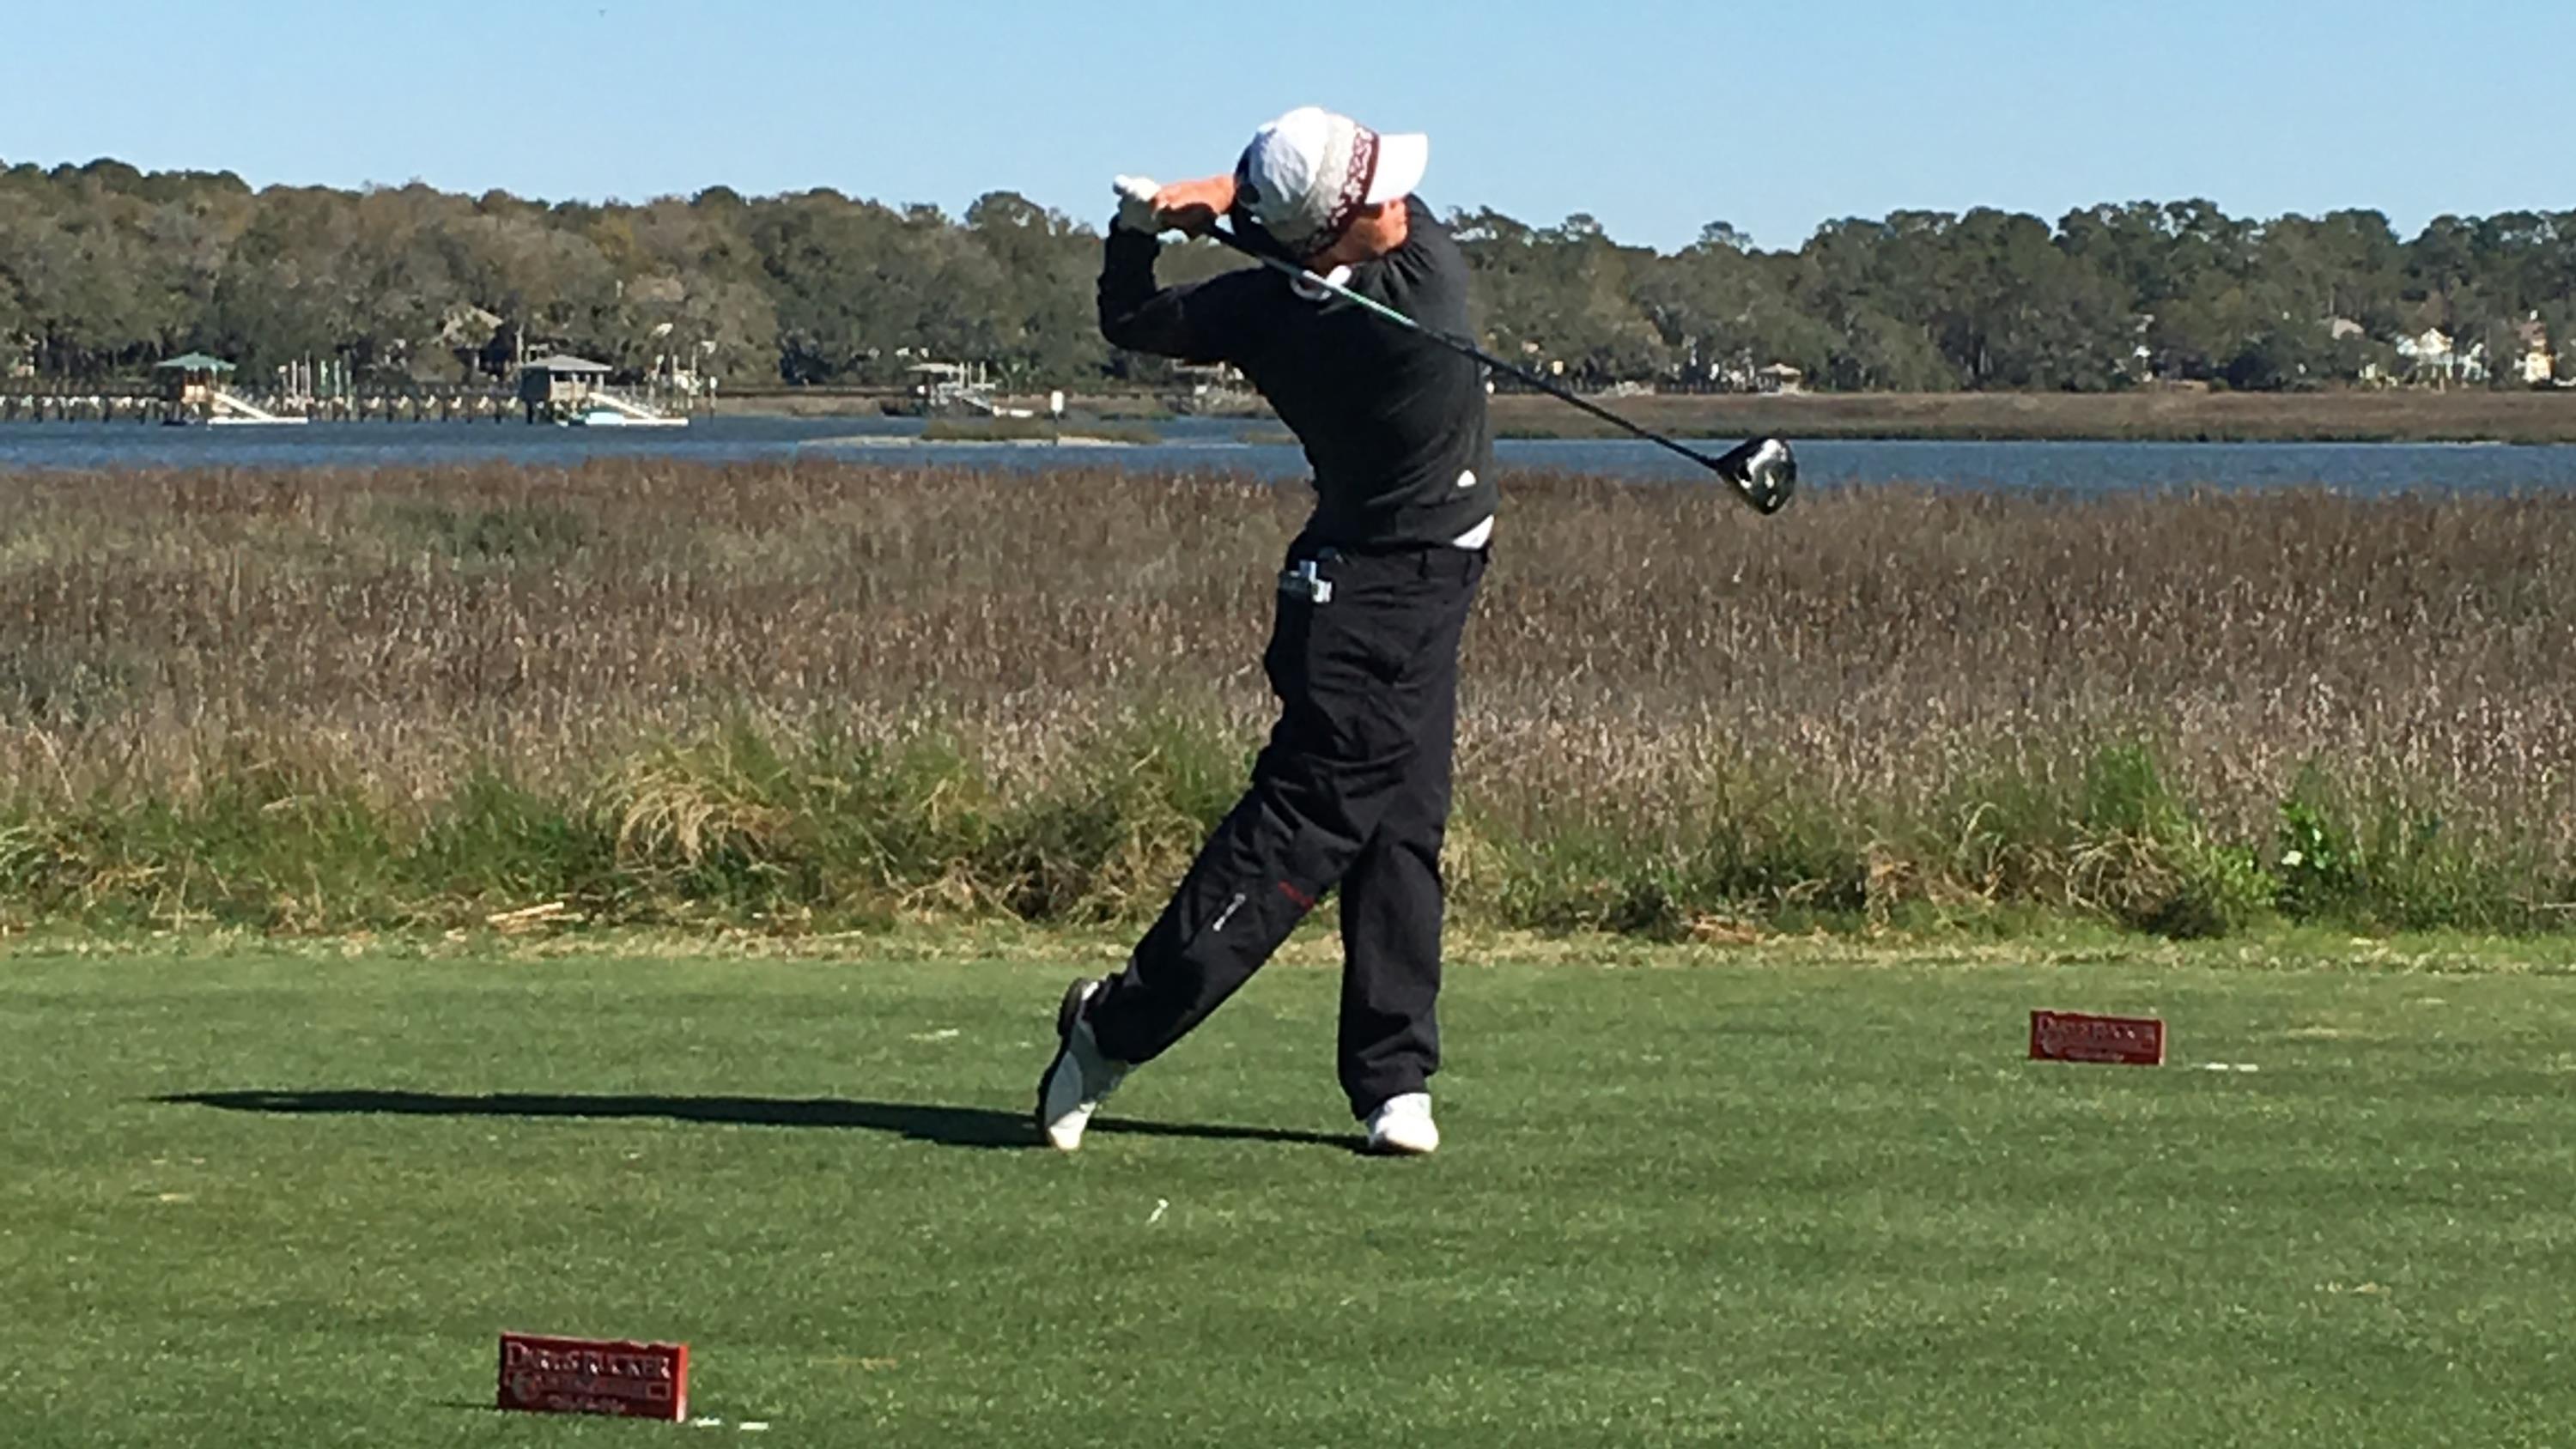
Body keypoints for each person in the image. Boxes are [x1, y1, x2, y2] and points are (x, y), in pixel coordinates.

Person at [1036, 106, 1497, 1156]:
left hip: (1405, 584)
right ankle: (1111, 1027)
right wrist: (1225, 205)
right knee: (1291, 847)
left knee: (1402, 828)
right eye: (1370, 196)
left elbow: (1131, 319)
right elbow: (1307, 258)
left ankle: (1393, 1075)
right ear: (1328, 238)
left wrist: (1146, 226)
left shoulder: (1265, 304)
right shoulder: (1402, 299)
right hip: (1376, 603)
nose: (1401, 204)